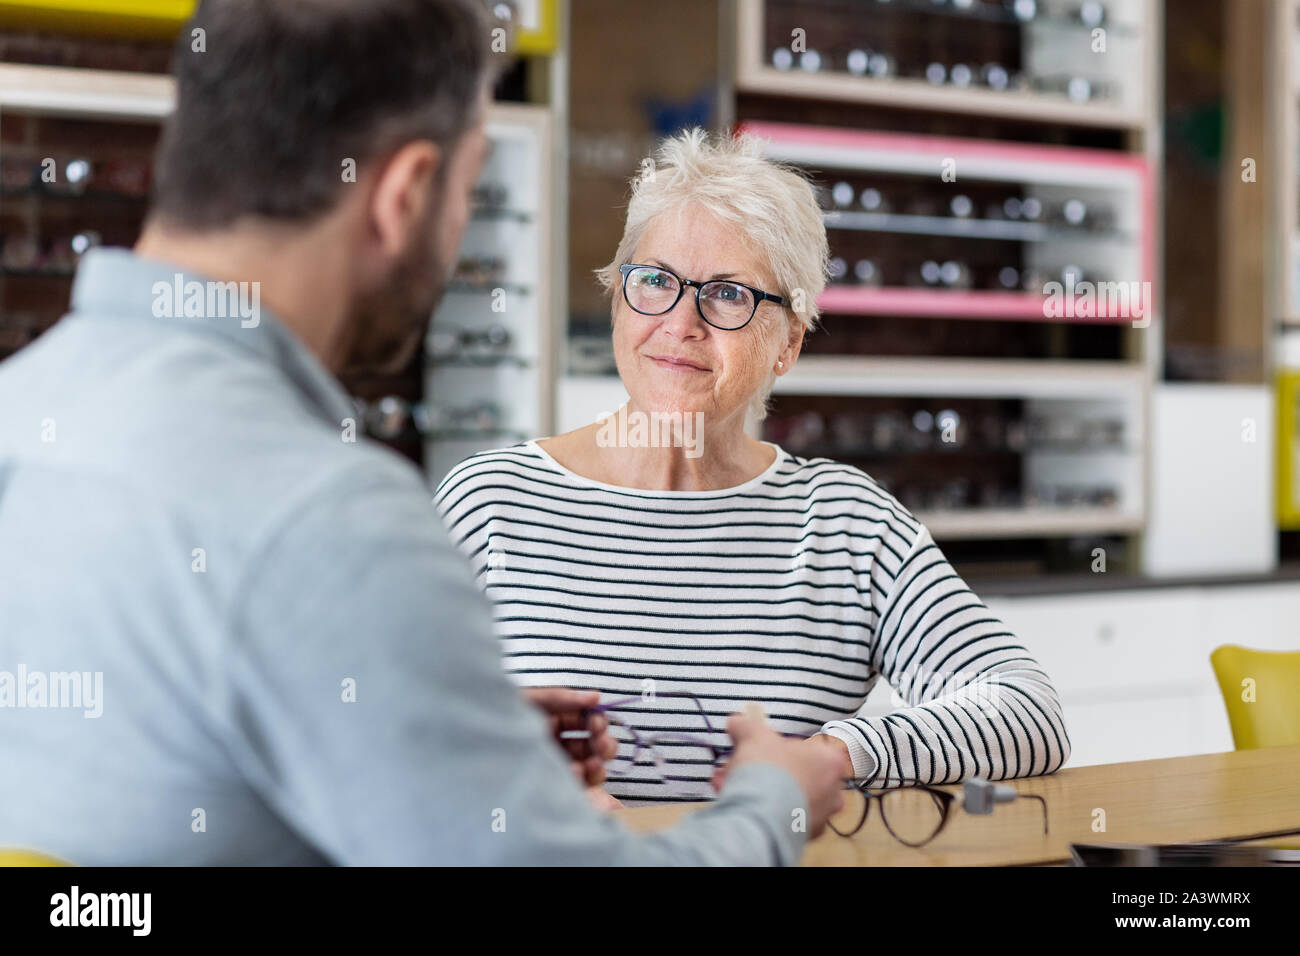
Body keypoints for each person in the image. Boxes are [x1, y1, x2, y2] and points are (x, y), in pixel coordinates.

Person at [0, 0, 845, 865]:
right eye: (467, 189)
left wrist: (436, 734)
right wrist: (775, 798)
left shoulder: (22, 413)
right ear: (404, 195)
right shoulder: (328, 516)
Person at [435, 129, 1072, 807]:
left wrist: (832, 755)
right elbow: (367, 731)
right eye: (654, 281)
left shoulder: (846, 523)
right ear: (618, 300)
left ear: (788, 341)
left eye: (729, 296)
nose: (681, 323)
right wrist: (496, 763)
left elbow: (1028, 711)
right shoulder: (491, 502)